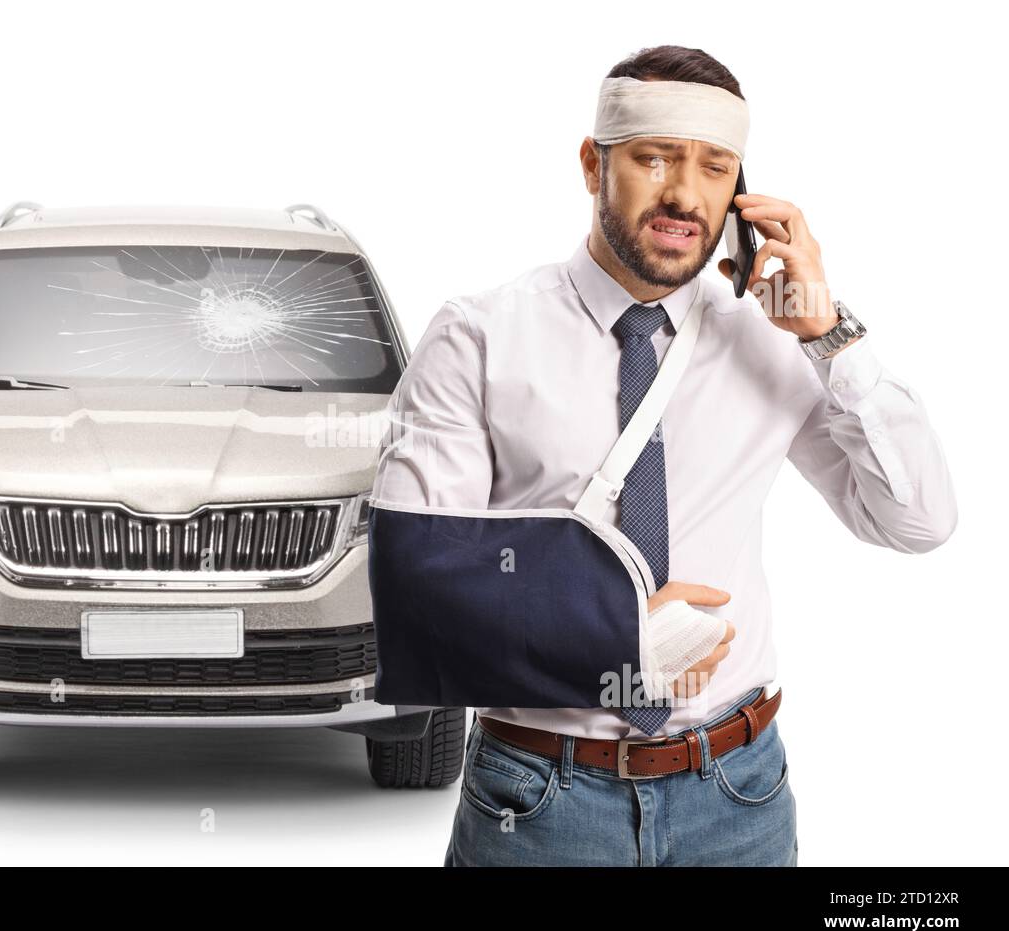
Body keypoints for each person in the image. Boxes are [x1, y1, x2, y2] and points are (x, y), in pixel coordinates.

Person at [369, 44, 958, 866]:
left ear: (742, 195)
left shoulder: (776, 340)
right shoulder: (480, 335)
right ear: (592, 164)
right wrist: (613, 635)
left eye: (715, 169)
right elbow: (417, 590)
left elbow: (919, 521)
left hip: (736, 794)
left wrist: (832, 337)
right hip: (539, 799)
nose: (685, 194)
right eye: (655, 158)